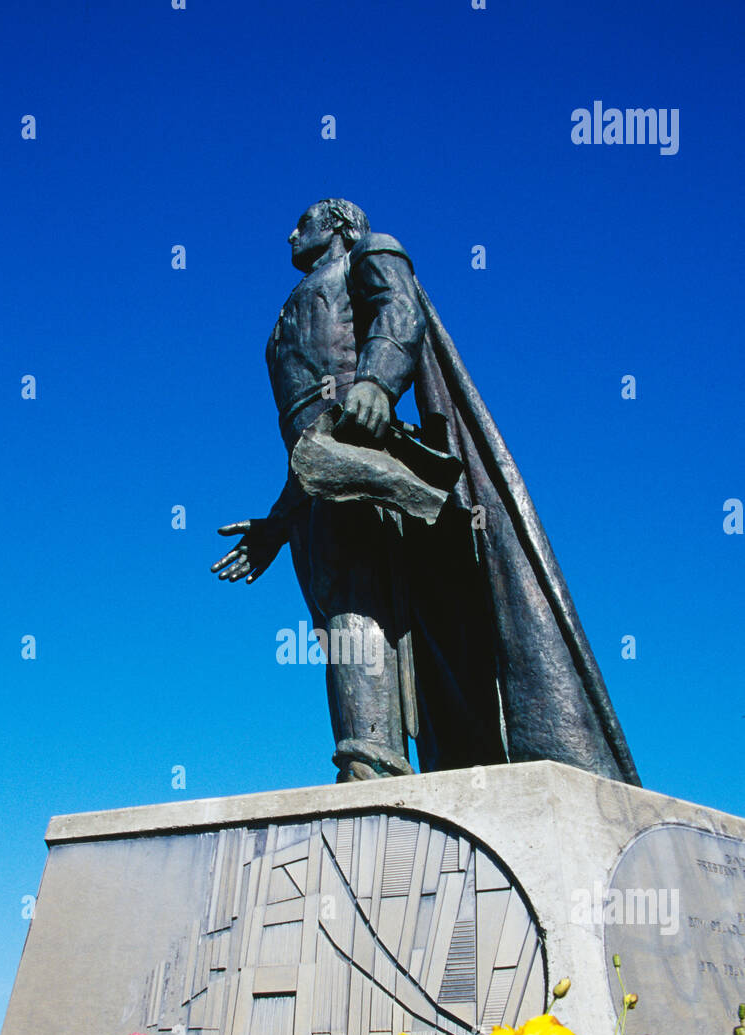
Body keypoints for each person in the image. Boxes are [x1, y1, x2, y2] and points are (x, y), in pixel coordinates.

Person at [212, 199, 639, 787]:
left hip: (367, 457)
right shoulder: (286, 314)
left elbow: (399, 310)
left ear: (337, 224)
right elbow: (311, 440)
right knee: (338, 611)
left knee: (357, 607)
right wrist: (275, 527)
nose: (290, 232)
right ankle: (372, 759)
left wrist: (377, 382)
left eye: (303, 221)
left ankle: (369, 770)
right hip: (321, 472)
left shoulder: (370, 251)